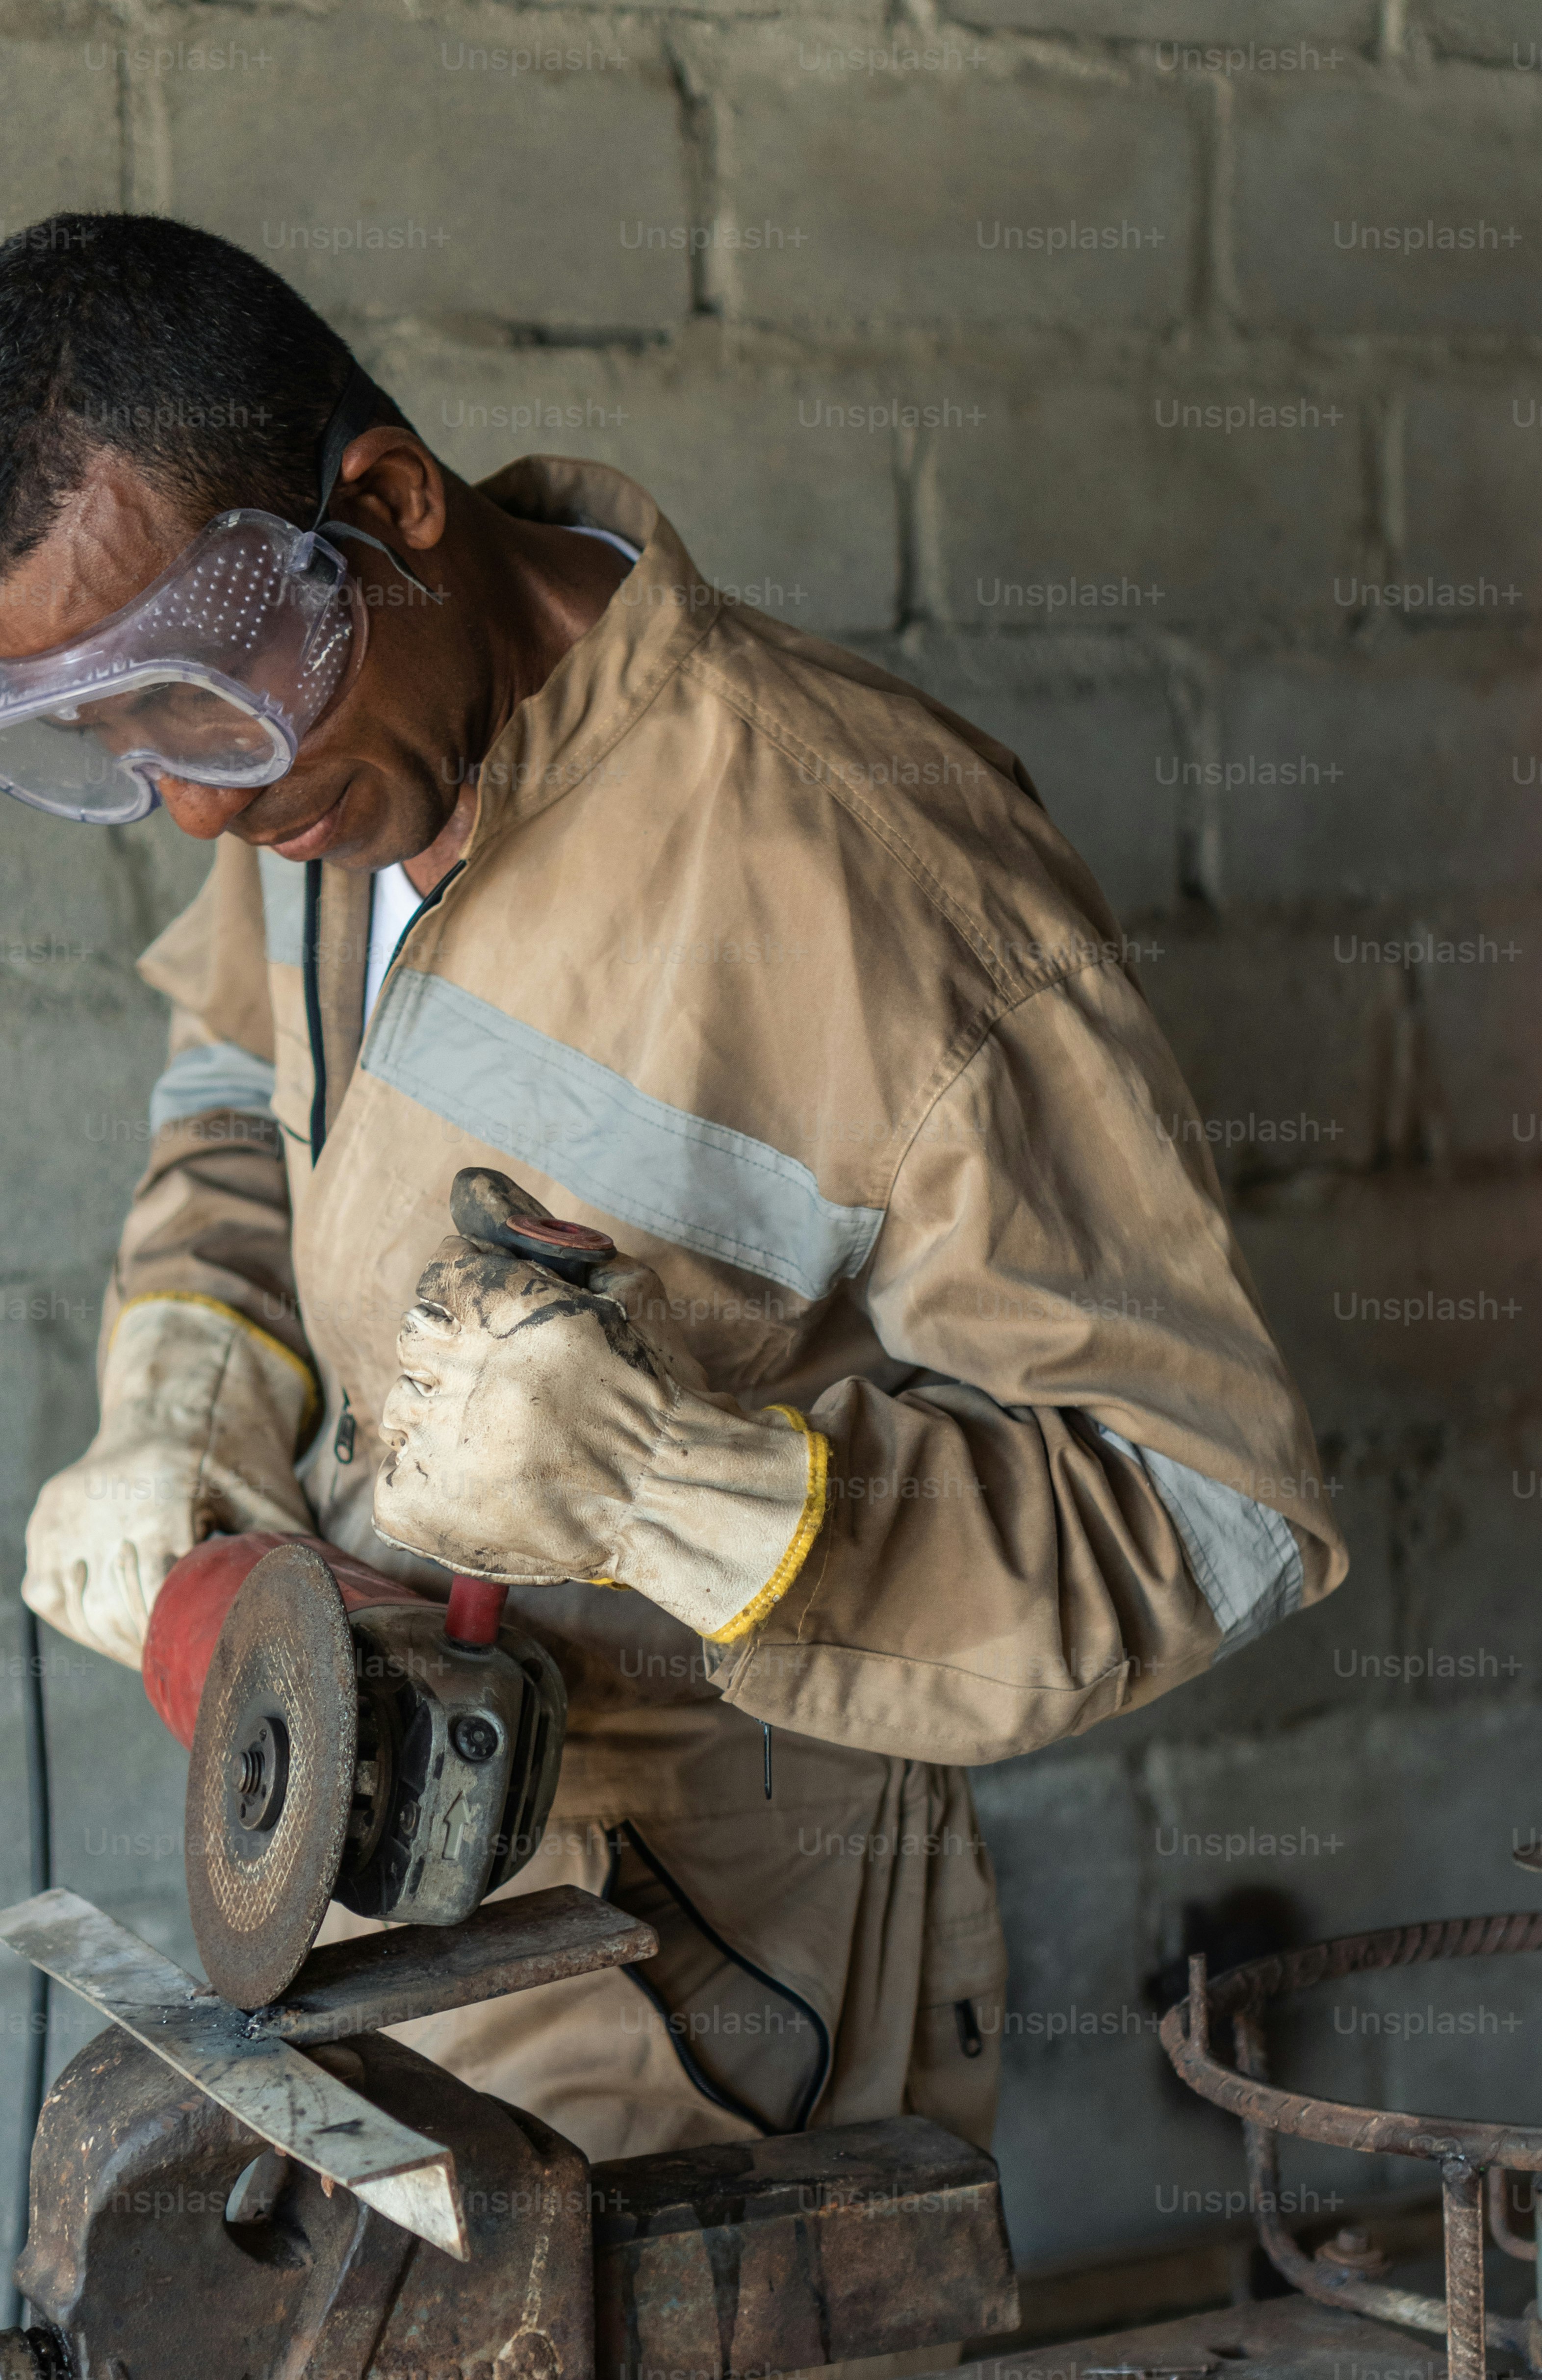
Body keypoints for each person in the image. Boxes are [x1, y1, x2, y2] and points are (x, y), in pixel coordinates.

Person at [5, 215, 1346, 2173]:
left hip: (715, 1988)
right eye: (99, 738)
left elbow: (1208, 1509)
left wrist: (674, 1483)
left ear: (377, 507)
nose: (190, 797)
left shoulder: (856, 863)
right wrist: (182, 1384)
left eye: (190, 699)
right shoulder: (320, 746)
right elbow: (242, 1074)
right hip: (383, 1879)